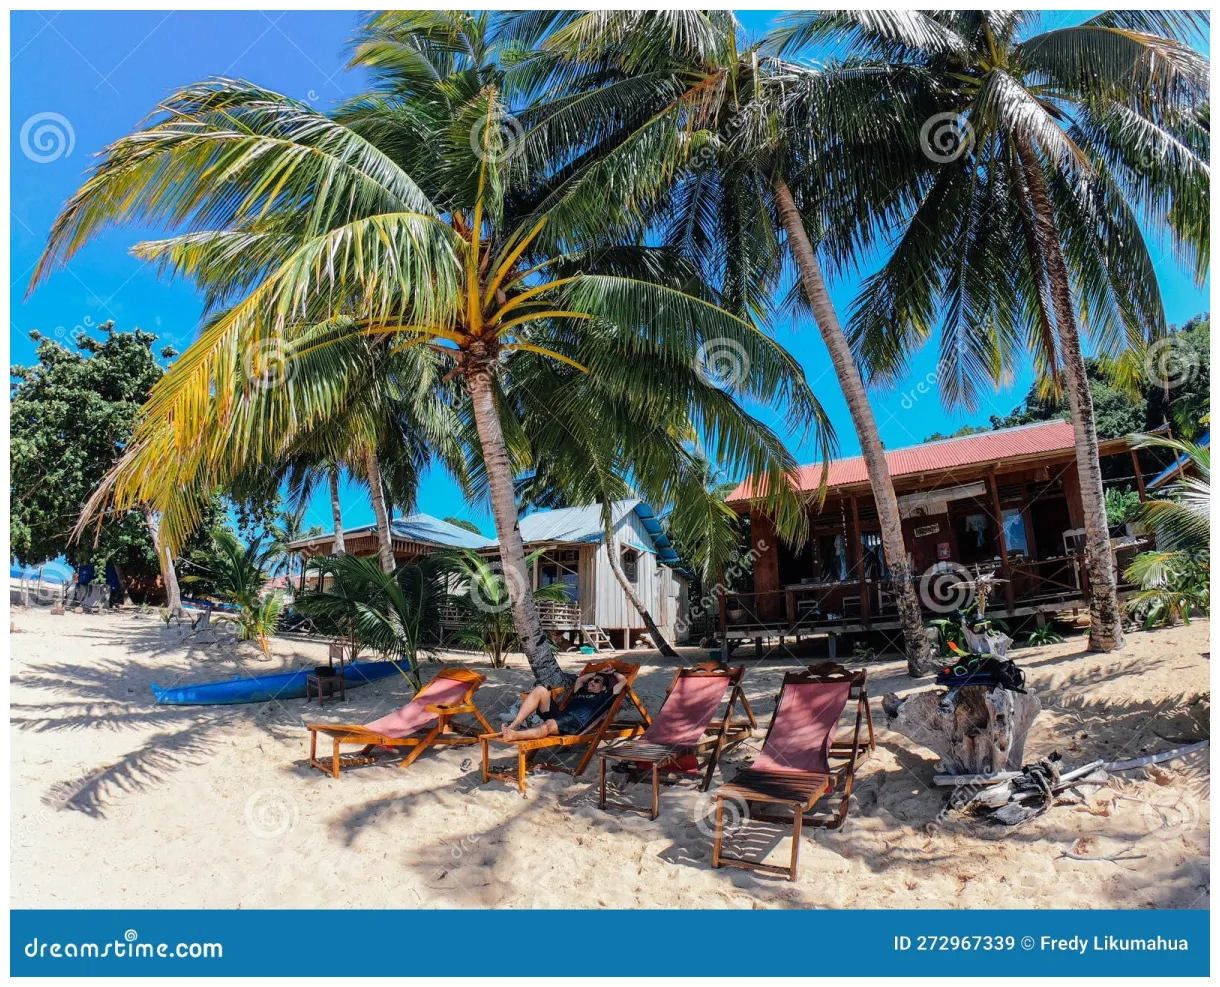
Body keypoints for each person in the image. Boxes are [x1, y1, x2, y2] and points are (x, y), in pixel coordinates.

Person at [500, 668, 626, 741]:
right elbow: (581, 679)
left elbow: (623, 680)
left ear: (604, 688)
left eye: (597, 681)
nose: (592, 682)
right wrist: (599, 672)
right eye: (591, 680)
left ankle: (515, 735)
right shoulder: (580, 691)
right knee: (540, 690)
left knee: (549, 724)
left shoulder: (606, 696)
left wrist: (612, 672)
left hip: (575, 723)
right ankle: (515, 725)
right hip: (560, 715)